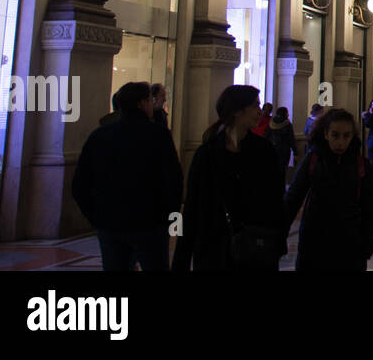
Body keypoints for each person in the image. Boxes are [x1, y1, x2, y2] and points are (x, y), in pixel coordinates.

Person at [71, 81, 182, 271]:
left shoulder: (100, 135)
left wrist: (97, 218)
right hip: (150, 223)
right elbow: (173, 181)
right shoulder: (158, 134)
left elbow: (80, 184)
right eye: (150, 100)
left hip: (111, 223)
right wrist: (171, 220)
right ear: (142, 103)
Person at [173, 85, 285, 271]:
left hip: (253, 247)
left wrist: (277, 242)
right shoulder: (207, 154)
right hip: (214, 248)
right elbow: (193, 208)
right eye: (255, 106)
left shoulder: (264, 151)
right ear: (238, 111)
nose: (260, 111)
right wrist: (181, 259)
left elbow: (275, 199)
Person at [283, 108, 373, 271]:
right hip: (314, 243)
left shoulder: (361, 165)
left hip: (349, 245)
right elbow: (293, 198)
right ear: (326, 134)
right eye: (335, 135)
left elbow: (370, 210)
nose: (340, 142)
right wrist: (279, 233)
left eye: (346, 136)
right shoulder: (313, 160)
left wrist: (366, 246)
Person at [265, 106, 300, 192]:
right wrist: (295, 152)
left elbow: (266, 136)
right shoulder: (287, 124)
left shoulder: (271, 123)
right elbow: (291, 139)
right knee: (282, 172)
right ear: (285, 113)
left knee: (273, 170)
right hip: (283, 151)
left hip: (272, 150)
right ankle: (281, 190)